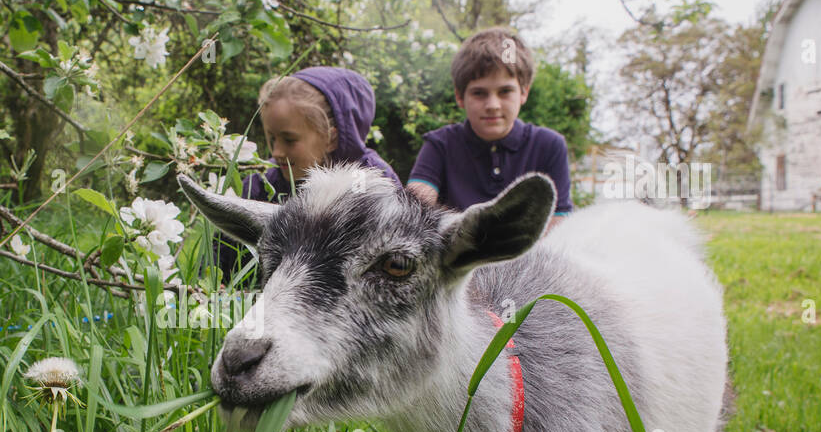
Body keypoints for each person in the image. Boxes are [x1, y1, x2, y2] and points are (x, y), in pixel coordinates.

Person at [217, 66, 401, 274]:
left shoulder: (369, 182)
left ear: (331, 137)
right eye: (271, 138)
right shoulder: (261, 186)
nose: (276, 151)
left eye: (289, 140)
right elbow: (221, 257)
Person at [406, 28, 572, 225]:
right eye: (479, 93)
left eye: (505, 91)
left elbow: (559, 225)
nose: (493, 105)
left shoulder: (549, 145)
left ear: (523, 93)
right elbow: (414, 211)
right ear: (460, 97)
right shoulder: (440, 144)